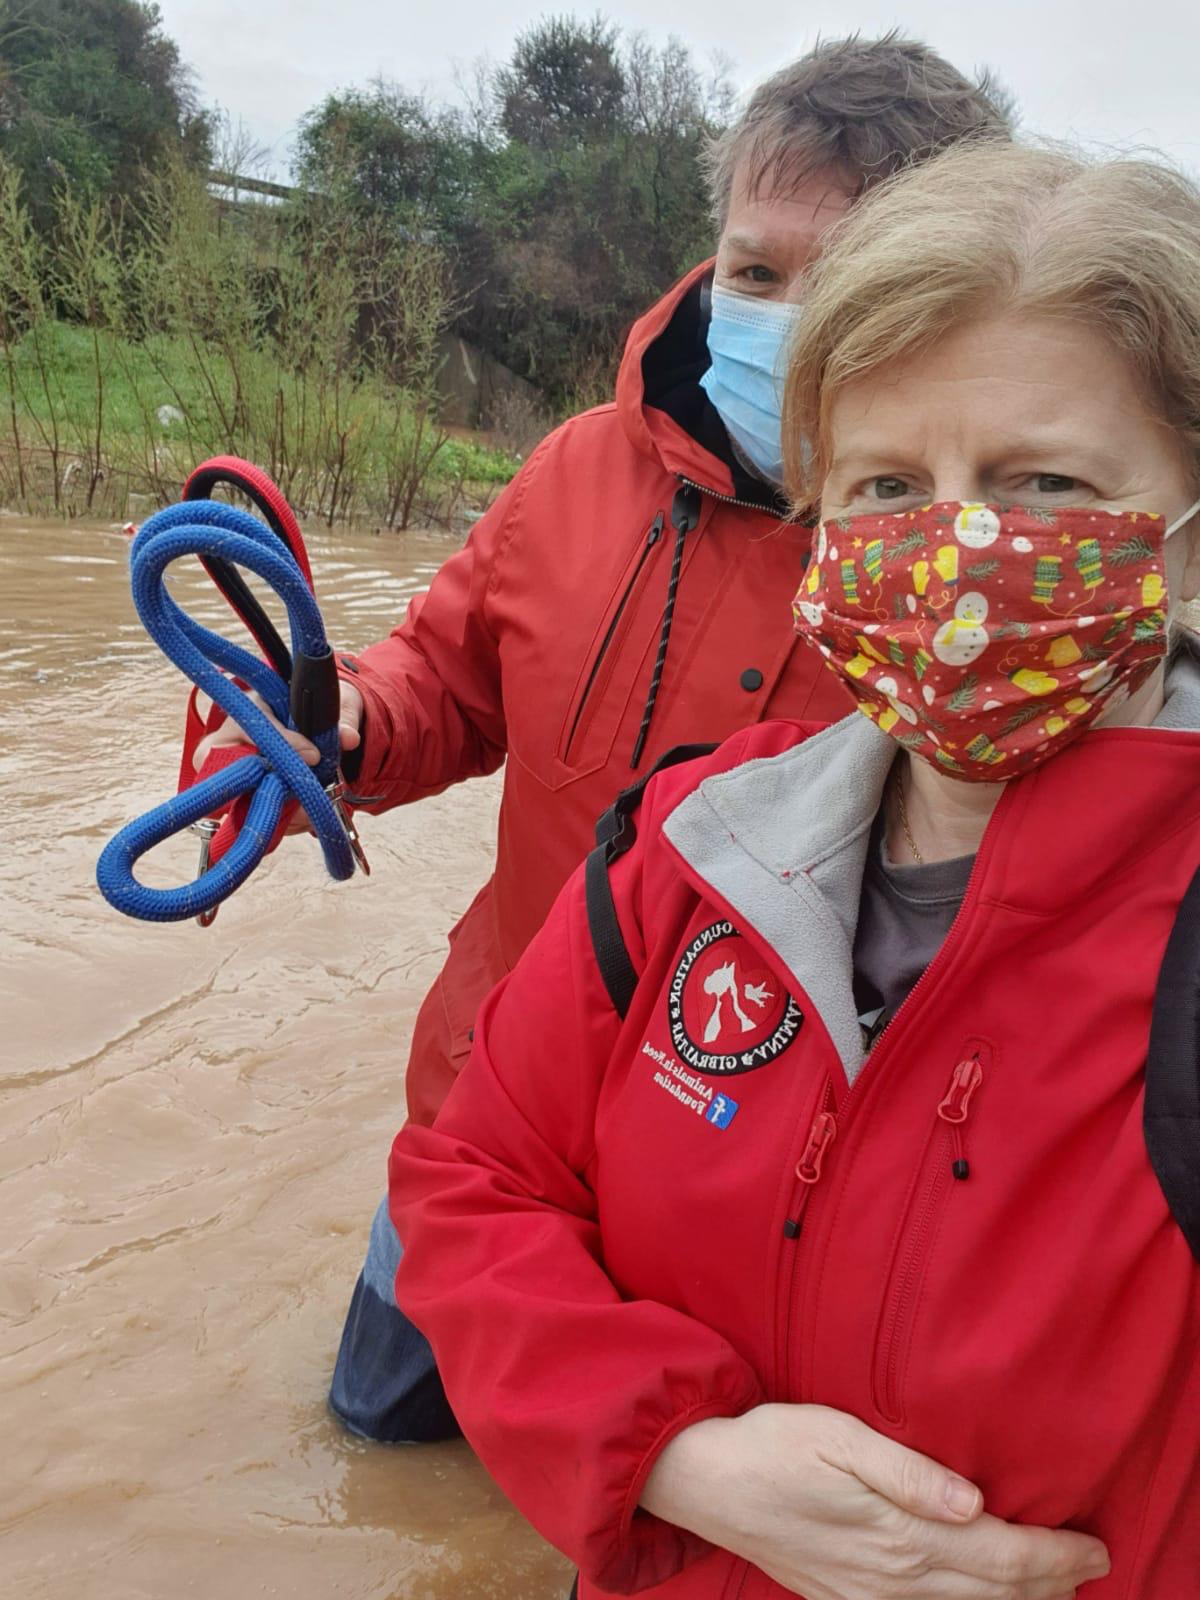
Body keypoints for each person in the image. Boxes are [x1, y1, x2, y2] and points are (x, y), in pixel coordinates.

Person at [389, 141, 1200, 1599]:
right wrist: (670, 1456)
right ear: (821, 526)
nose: (951, 554)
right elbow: (473, 1181)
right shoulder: (690, 844)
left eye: (1046, 481)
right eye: (887, 485)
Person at [200, 36, 1011, 1442]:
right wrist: (336, 723)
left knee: (670, 1504)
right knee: (376, 1451)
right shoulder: (579, 464)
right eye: (757, 270)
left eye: (842, 278)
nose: (786, 317)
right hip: (483, 1126)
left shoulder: (997, 585)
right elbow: (448, 680)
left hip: (760, 1219)